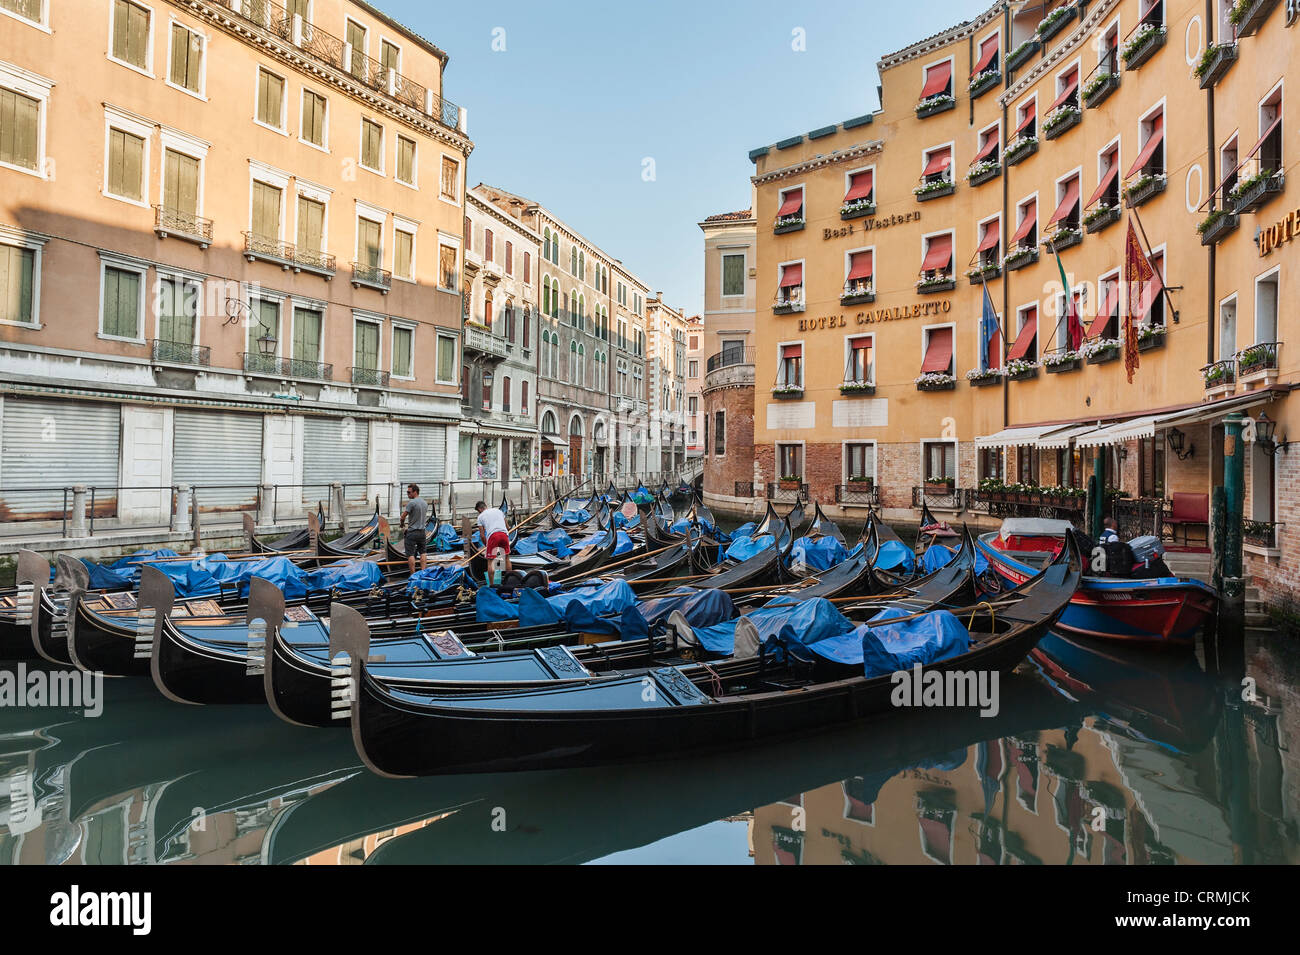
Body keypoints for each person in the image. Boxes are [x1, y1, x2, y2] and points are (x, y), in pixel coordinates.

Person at [475, 500, 511, 575]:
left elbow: (482, 535)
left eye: (478, 511)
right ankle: (509, 580)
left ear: (479, 509)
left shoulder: (480, 517)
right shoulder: (498, 511)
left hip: (493, 536)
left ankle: (492, 585)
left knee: (490, 561)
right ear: (485, 506)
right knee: (507, 558)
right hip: (504, 534)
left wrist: (486, 545)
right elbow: (508, 527)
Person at [400, 484, 428, 574]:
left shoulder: (411, 503)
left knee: (410, 554)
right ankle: (423, 573)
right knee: (423, 552)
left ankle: (413, 575)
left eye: (409, 492)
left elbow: (402, 517)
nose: (407, 494)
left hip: (412, 532)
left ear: (415, 492)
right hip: (422, 532)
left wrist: (402, 525)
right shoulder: (424, 503)